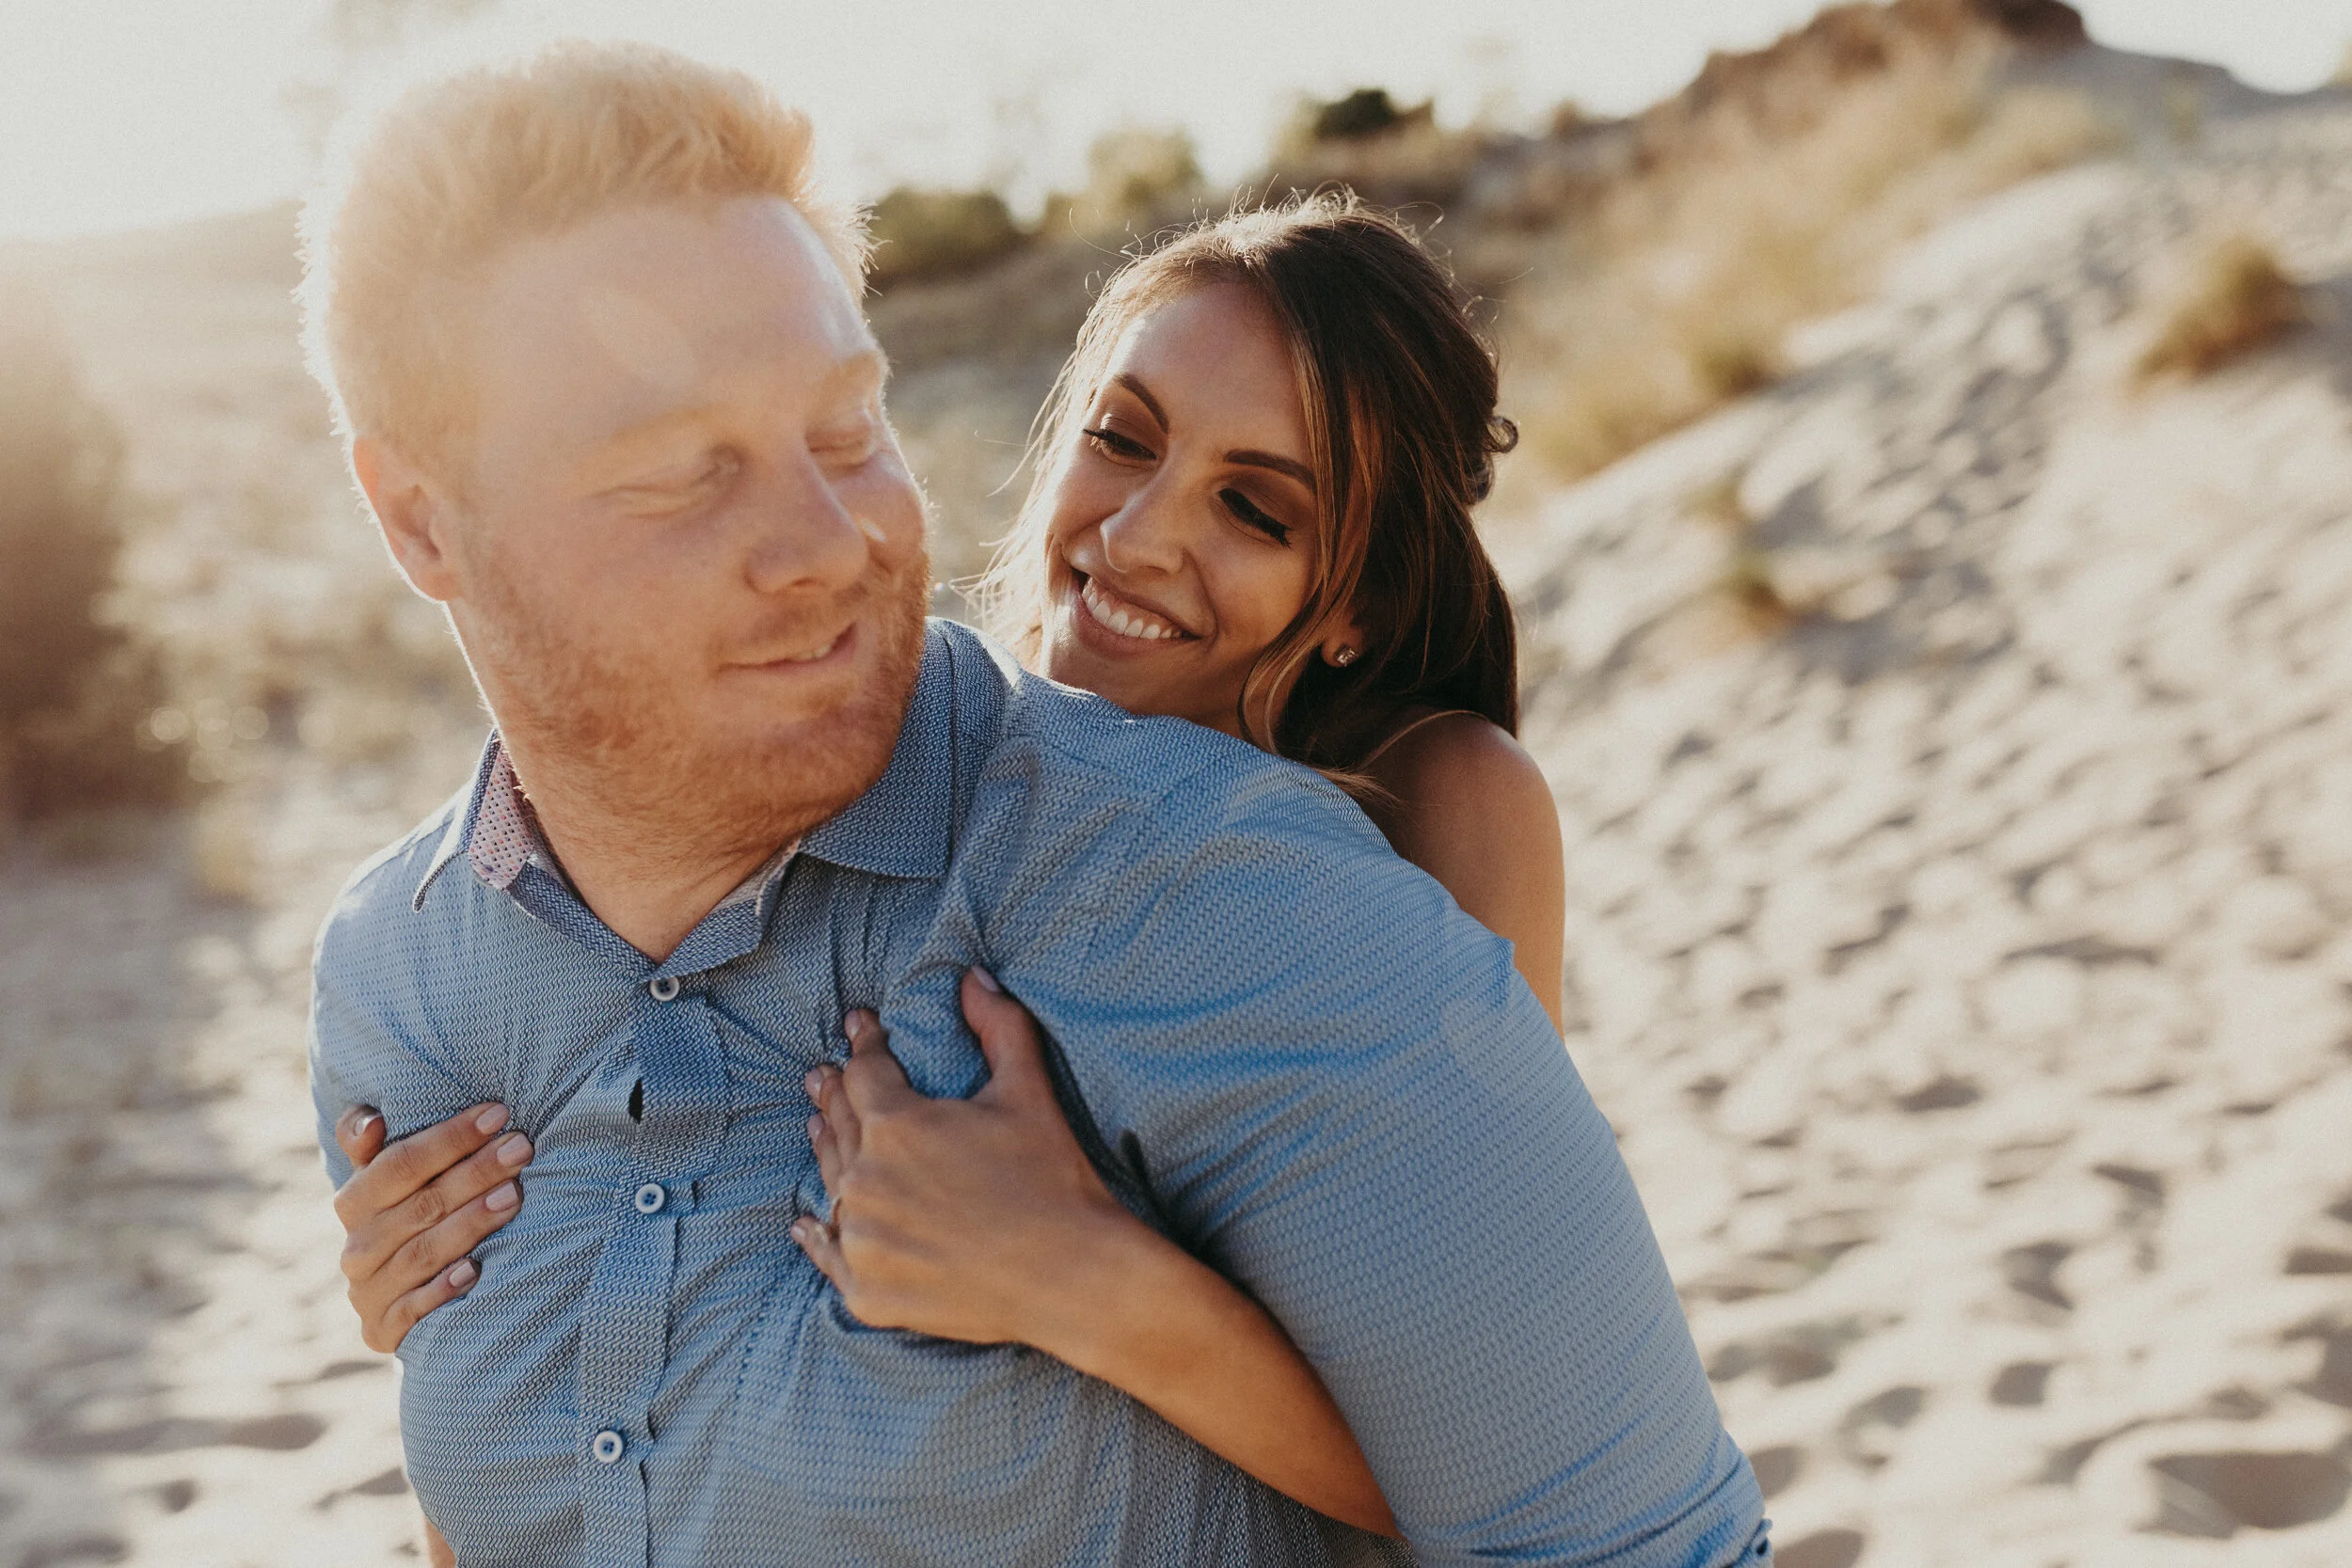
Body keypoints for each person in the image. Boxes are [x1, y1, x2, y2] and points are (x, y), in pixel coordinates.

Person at [305, 39, 1770, 1567]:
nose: (1137, 538)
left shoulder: (1350, 851)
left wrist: (1080, 1275)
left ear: (1349, 599)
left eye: (844, 434)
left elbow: (1513, 1446)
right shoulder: (404, 970)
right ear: (419, 518)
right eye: (1122, 442)